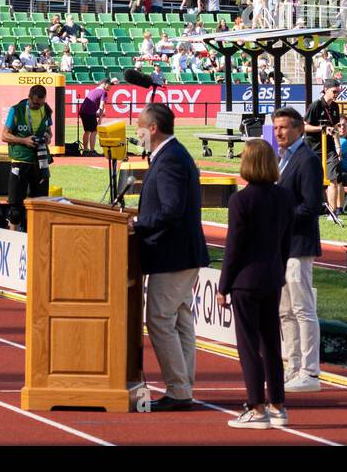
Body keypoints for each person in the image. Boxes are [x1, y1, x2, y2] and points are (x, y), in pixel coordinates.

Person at [132, 103, 209, 411]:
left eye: (139, 125)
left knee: (161, 319)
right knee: (180, 321)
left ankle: (178, 389)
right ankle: (182, 385)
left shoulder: (170, 160)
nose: (136, 132)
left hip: (172, 255)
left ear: (153, 128)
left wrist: (136, 224)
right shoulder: (171, 156)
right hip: (179, 253)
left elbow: (170, 210)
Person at [217, 139, 295, 430]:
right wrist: (279, 269)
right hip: (272, 277)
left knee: (248, 346)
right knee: (272, 343)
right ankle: (278, 404)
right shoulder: (284, 197)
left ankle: (256, 406)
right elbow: (286, 242)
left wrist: (223, 286)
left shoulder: (241, 200)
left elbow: (233, 248)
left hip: (245, 281)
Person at [270, 106, 323, 393]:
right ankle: (292, 365)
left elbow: (312, 206)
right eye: (276, 128)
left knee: (303, 309)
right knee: (285, 311)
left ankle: (310, 371)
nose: (279, 132)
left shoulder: (307, 160)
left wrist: (280, 215)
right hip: (281, 246)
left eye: (284, 127)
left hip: (299, 245)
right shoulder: (281, 159)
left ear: (299, 129)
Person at [0, 85, 53, 232]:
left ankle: (35, 239)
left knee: (40, 205)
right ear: (29, 97)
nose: (38, 106)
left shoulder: (46, 109)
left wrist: (47, 137)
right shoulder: (16, 110)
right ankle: (12, 237)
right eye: (36, 103)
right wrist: (24, 141)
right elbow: (4, 135)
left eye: (41, 103)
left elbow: (49, 131)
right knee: (16, 208)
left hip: (40, 162)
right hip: (21, 160)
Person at [79, 78, 115, 155]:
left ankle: (85, 151)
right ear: (105, 84)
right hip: (89, 112)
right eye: (109, 85)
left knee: (87, 131)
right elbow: (102, 105)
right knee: (94, 131)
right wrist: (100, 119)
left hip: (83, 111)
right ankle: (92, 151)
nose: (110, 87)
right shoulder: (103, 92)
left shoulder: (93, 90)